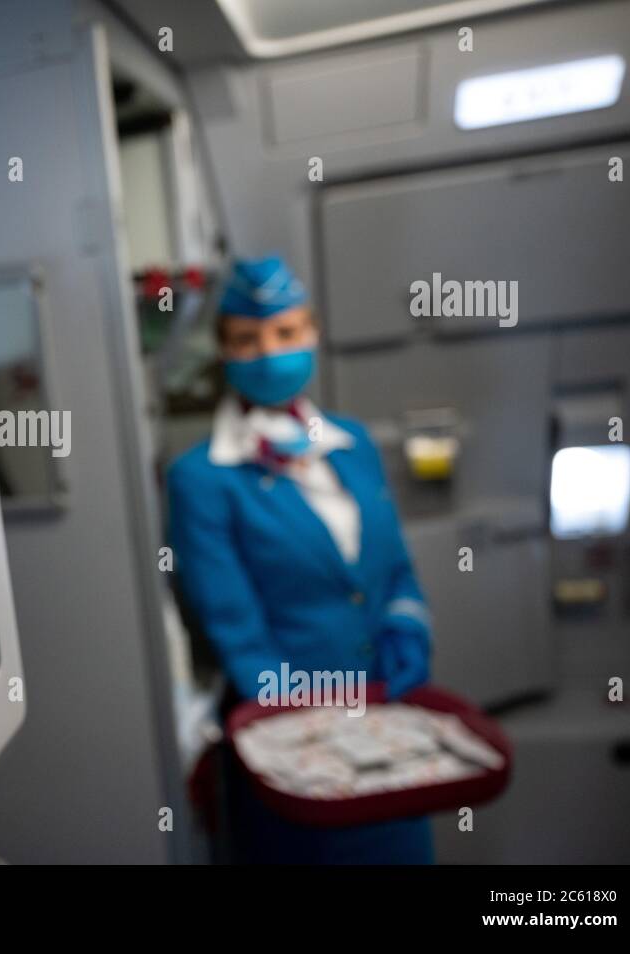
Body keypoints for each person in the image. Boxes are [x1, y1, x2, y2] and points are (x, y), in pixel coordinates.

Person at [168, 255, 434, 864]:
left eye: (285, 333)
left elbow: (394, 569)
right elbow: (240, 634)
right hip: (296, 753)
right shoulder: (203, 478)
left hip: (392, 730)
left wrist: (406, 634)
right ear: (225, 352)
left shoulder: (352, 443)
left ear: (311, 332)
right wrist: (334, 713)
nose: (268, 351)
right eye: (247, 339)